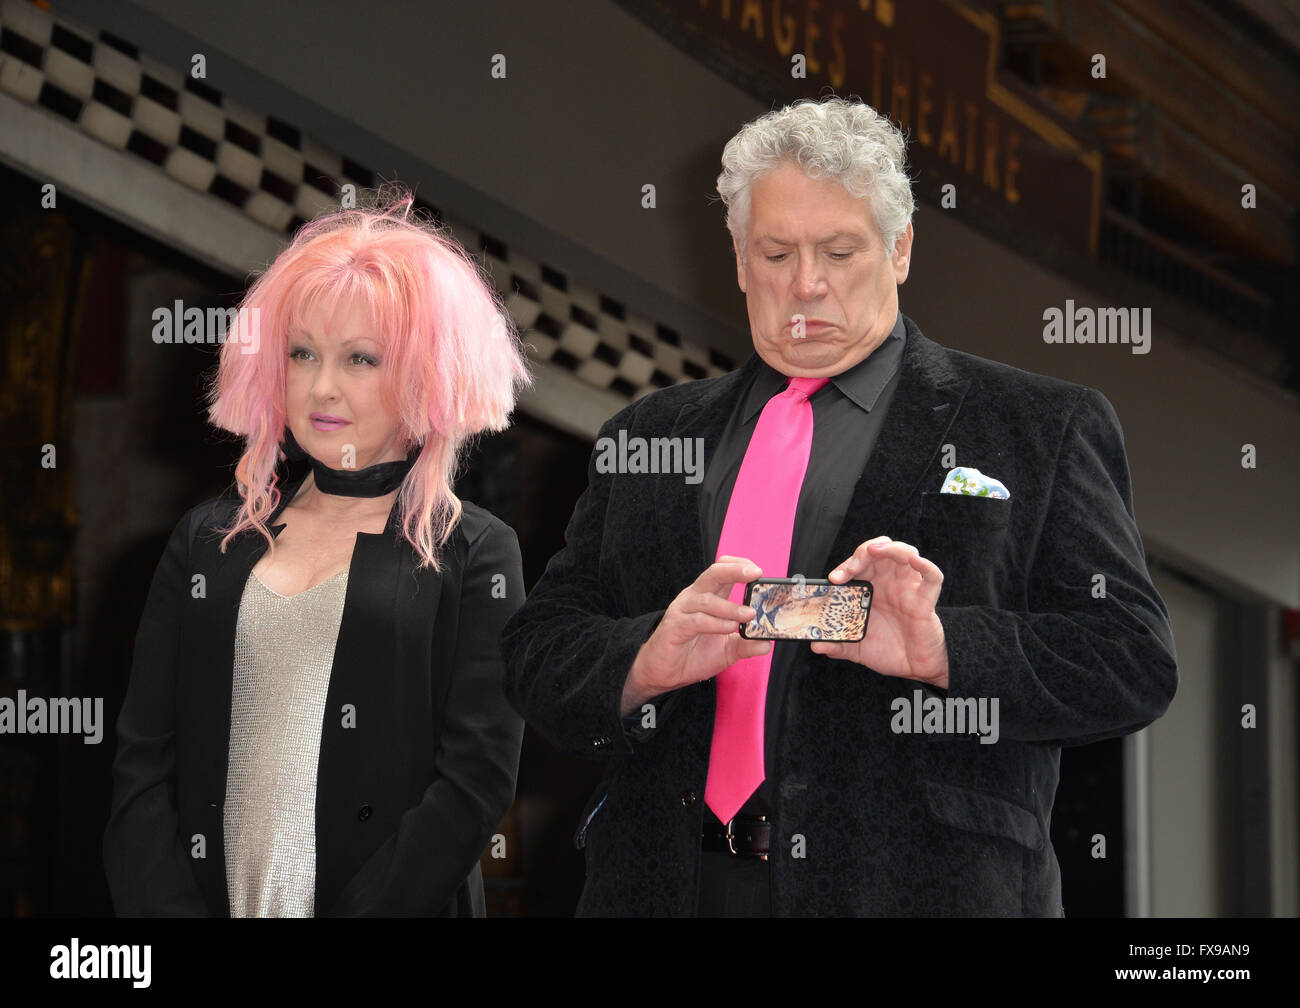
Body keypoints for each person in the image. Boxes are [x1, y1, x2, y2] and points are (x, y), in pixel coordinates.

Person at [501, 97, 1178, 916]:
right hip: (660, 887)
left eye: (839, 251)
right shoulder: (648, 434)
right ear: (740, 259)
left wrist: (944, 648)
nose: (805, 284)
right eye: (776, 252)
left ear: (901, 249)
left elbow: (1131, 661)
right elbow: (538, 648)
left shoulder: (1040, 427)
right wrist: (645, 657)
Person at [104, 188, 531, 916]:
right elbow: (143, 764)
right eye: (302, 352)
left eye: (360, 359)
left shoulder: (476, 553)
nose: (322, 387)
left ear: (428, 372)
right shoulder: (208, 541)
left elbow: (475, 784)